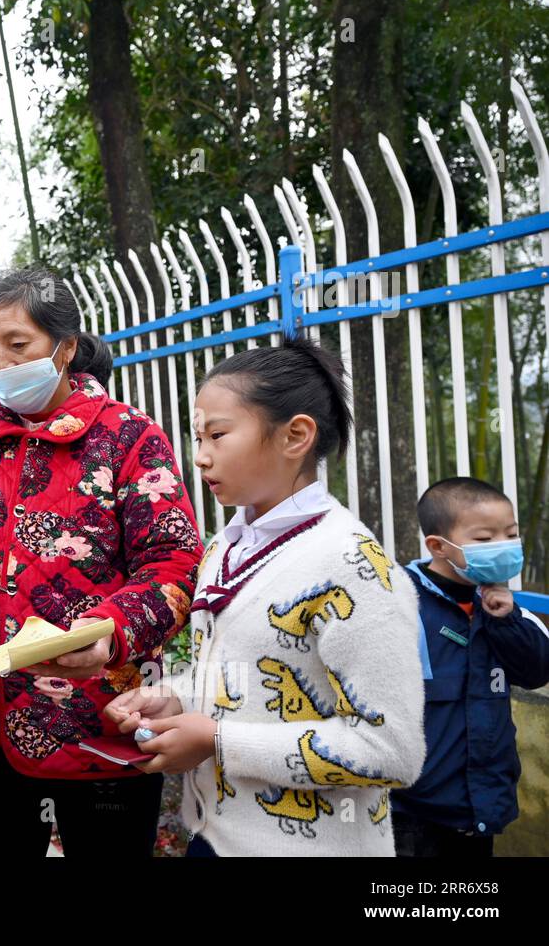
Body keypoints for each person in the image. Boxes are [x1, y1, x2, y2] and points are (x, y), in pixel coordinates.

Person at [0, 267, 203, 857]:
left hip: (100, 723)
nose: (0, 364)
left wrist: (110, 634)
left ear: (65, 347)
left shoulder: (129, 438)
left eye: (18, 346)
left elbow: (173, 564)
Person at [110, 336, 425, 855]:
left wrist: (215, 741)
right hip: (212, 838)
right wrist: (175, 700)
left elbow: (390, 750)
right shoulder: (224, 549)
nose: (201, 457)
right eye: (197, 438)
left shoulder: (350, 564)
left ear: (296, 435)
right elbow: (242, 682)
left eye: (218, 435)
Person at [390, 476, 549, 856]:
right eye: (484, 539)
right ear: (438, 546)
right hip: (409, 816)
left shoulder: (505, 608)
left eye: (510, 534)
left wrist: (505, 620)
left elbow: (537, 670)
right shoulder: (398, 603)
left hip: (480, 811)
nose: (502, 547)